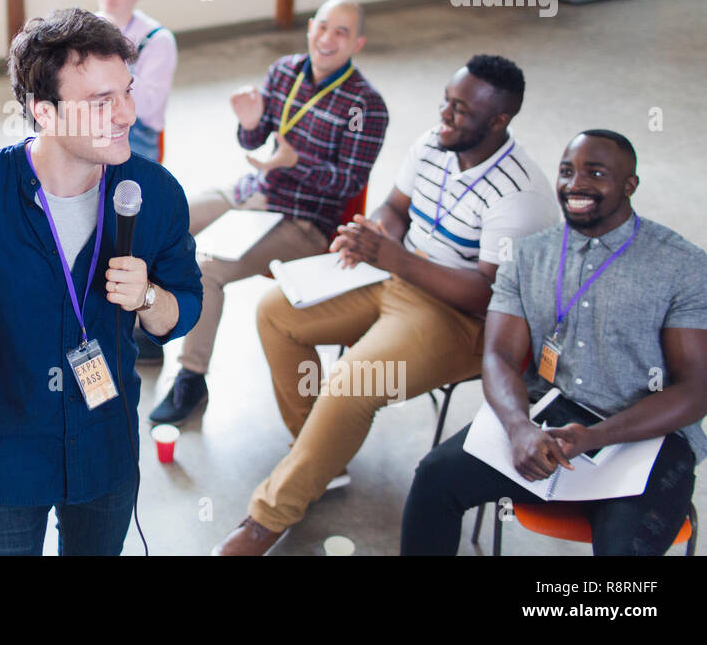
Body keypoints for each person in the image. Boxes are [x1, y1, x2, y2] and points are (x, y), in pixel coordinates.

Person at [215, 55, 558, 554]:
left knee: (357, 380)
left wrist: (395, 257)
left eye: (460, 110)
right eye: (446, 99)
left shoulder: (520, 194)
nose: (445, 113)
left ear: (498, 121)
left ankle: (266, 519)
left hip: (460, 317)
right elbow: (396, 207)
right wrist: (371, 234)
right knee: (275, 309)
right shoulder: (434, 143)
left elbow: (487, 294)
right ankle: (318, 458)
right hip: (398, 273)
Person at [0, 8, 203, 556]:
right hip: (2, 459)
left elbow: (185, 311)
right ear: (44, 112)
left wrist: (150, 298)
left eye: (126, 93)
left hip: (105, 447)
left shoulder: (152, 193)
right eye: (100, 103)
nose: (127, 114)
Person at [401, 130, 707, 556]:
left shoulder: (683, 266)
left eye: (595, 173)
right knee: (435, 477)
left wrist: (595, 436)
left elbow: (695, 391)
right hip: (549, 418)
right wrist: (519, 427)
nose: (575, 184)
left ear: (629, 185)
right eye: (566, 171)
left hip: (648, 435)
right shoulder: (526, 257)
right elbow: (500, 356)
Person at [147, 0, 388, 422]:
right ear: (310, 26)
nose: (328, 39)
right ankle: (150, 329)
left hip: (303, 219)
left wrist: (296, 163)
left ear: (359, 43)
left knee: (207, 269)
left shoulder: (366, 106)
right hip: (253, 192)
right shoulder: (285, 70)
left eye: (342, 32)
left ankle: (191, 378)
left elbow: (348, 183)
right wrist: (249, 123)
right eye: (324, 26)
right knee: (162, 217)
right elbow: (255, 140)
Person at [94, 0, 177, 162]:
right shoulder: (86, 25)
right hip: (93, 121)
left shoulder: (157, 40)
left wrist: (109, 61)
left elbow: (149, 106)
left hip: (136, 133)